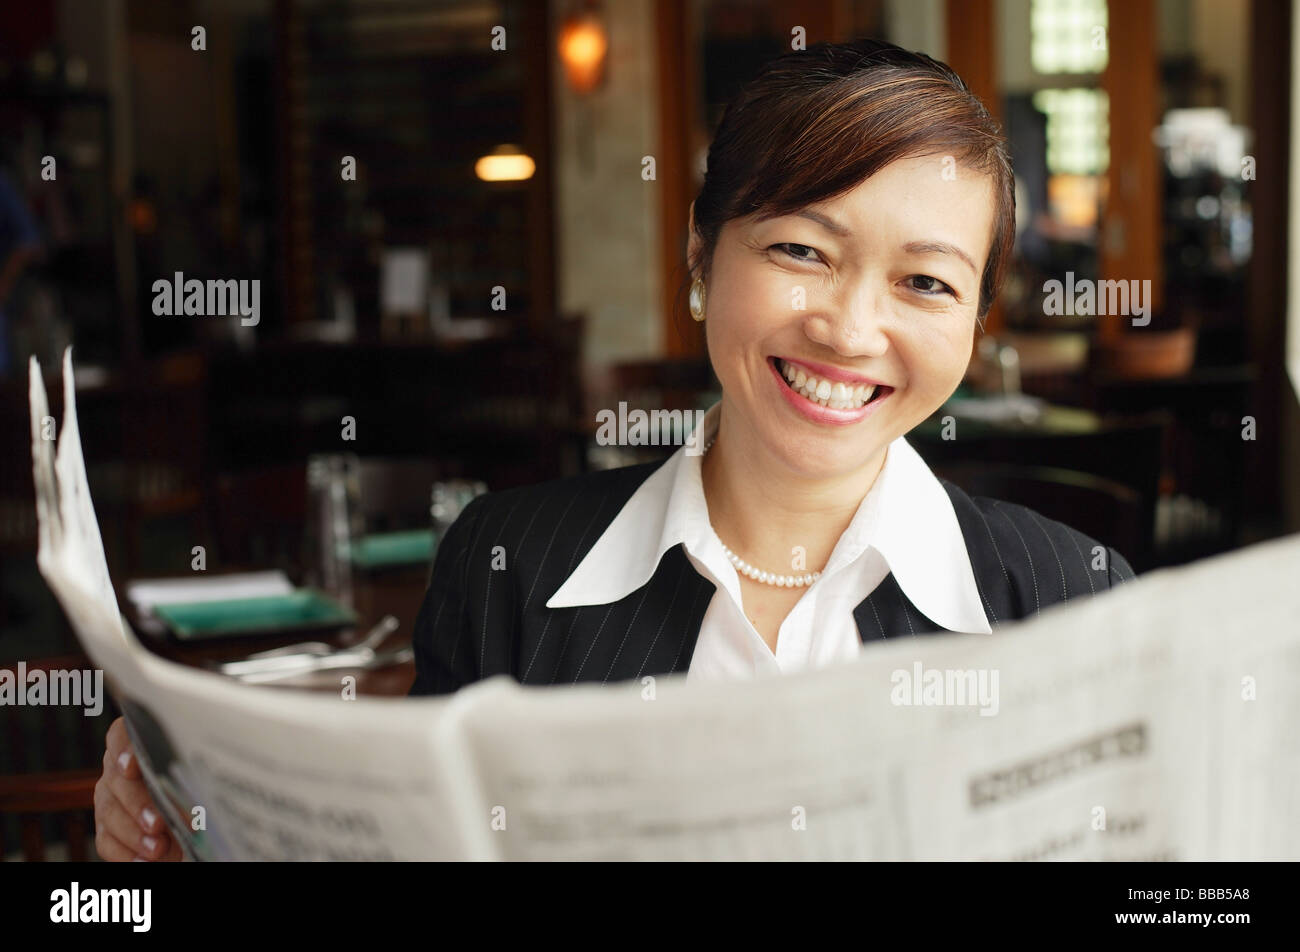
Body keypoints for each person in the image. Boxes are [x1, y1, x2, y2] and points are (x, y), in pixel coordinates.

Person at [95, 38, 1135, 861]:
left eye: (925, 282)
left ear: (975, 325)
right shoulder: (506, 564)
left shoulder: (1070, 596)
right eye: (801, 252)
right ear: (699, 256)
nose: (851, 330)